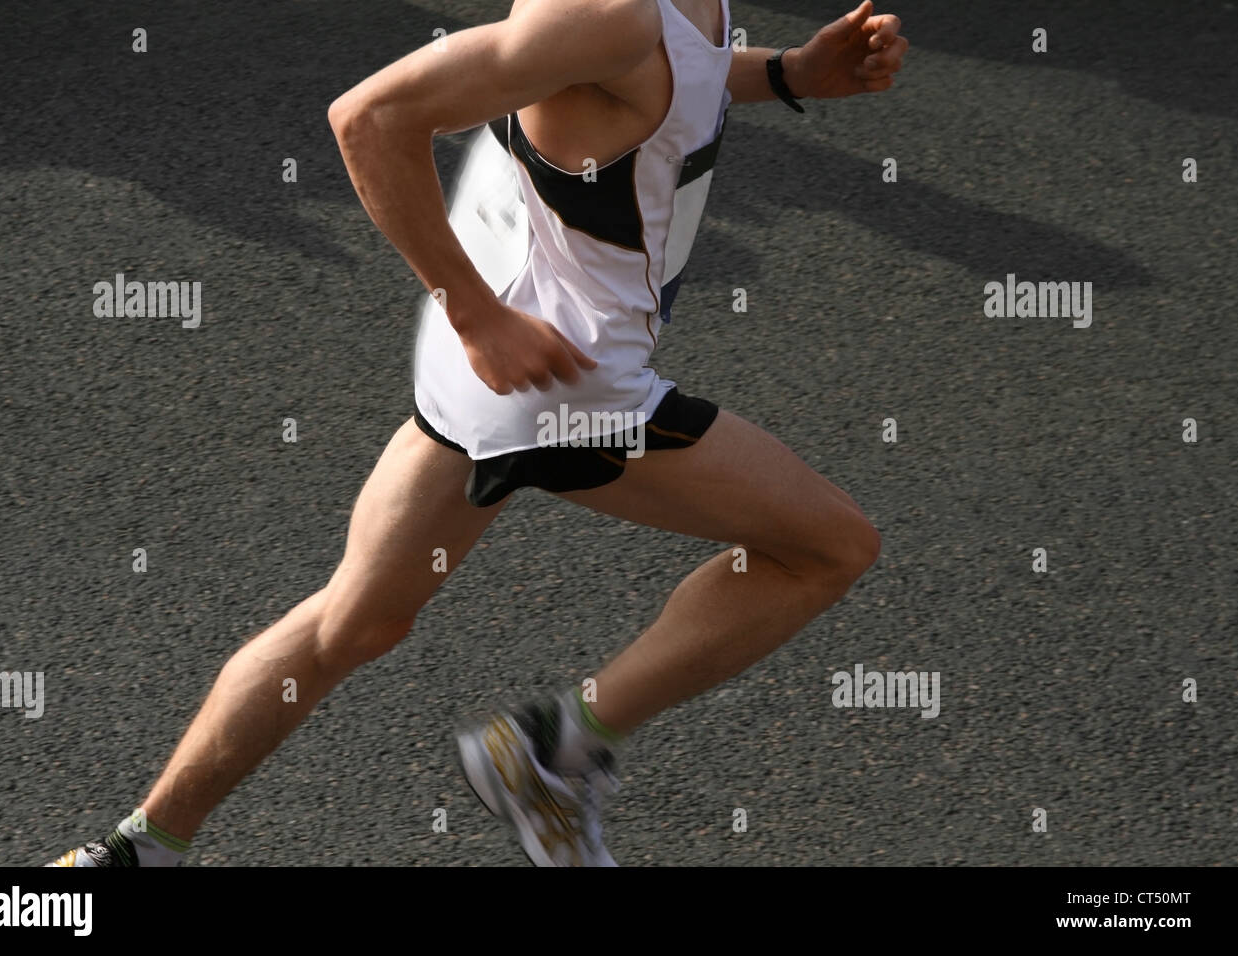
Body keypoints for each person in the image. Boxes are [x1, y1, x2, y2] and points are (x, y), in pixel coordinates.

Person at [49, 0, 906, 868]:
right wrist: (473, 310)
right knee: (827, 548)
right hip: (568, 382)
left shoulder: (659, 16)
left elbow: (655, 80)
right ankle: (551, 753)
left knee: (355, 623)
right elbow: (371, 116)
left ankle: (133, 854)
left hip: (491, 377)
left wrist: (789, 74)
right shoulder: (605, 13)